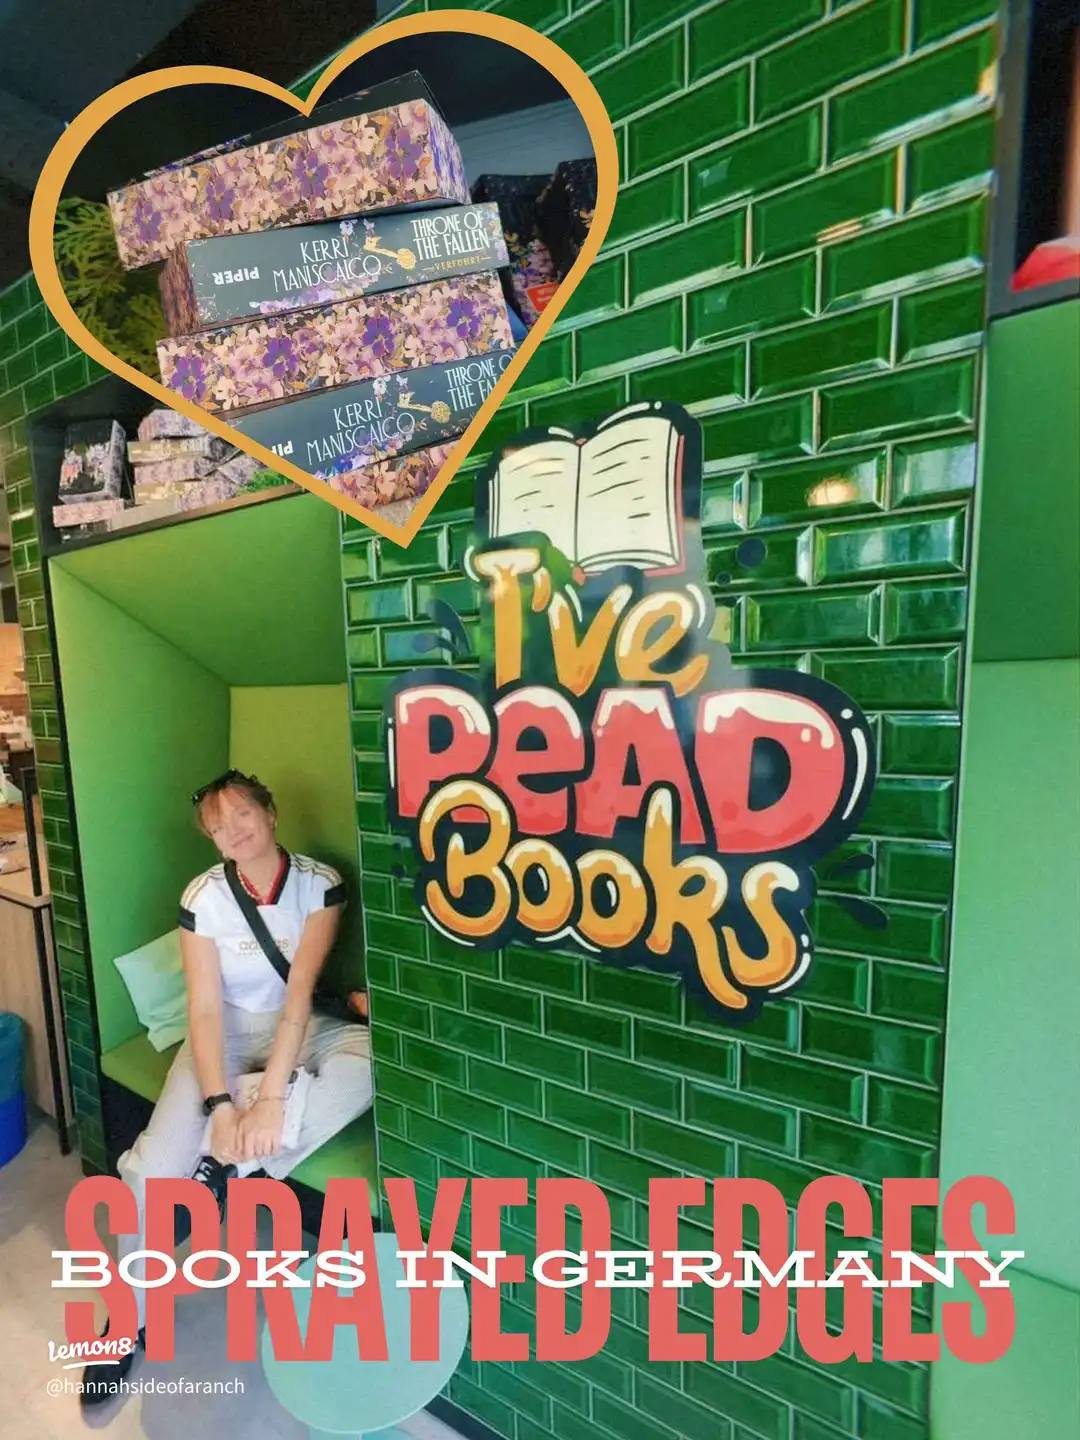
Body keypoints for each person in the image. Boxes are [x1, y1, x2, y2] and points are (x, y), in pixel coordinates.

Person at [80, 770, 373, 1412]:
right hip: (227, 1036)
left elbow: (299, 996)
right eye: (218, 826)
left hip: (303, 1026)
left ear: (270, 813)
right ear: (212, 840)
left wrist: (268, 1103)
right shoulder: (203, 897)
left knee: (366, 1065)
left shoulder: (319, 885)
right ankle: (127, 1322)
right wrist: (219, 1105)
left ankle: (226, 1169)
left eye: (242, 814)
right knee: (148, 1173)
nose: (233, 830)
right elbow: (206, 1010)